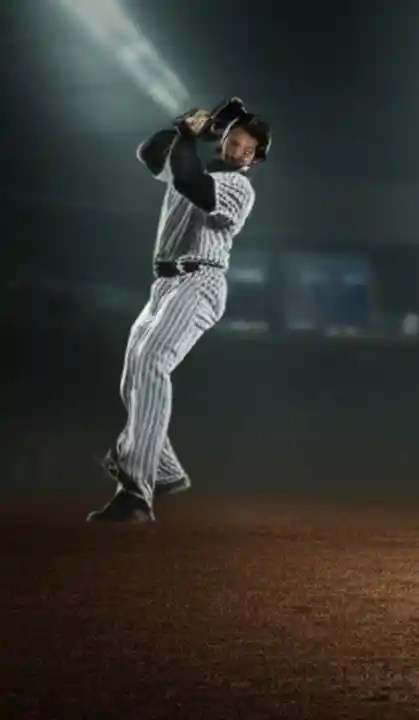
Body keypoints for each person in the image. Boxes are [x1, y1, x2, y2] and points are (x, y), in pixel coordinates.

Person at [88, 103, 272, 523]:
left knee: (152, 362)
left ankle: (136, 492)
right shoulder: (194, 163)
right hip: (164, 285)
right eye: (239, 137)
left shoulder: (237, 187)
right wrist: (180, 128)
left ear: (255, 158)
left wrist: (189, 139)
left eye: (252, 146)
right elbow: (150, 153)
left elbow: (191, 182)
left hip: (200, 281)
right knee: (133, 379)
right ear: (225, 138)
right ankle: (166, 471)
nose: (243, 147)